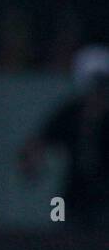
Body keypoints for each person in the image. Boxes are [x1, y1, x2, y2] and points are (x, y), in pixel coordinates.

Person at [19, 45, 109, 230]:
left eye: (102, 84)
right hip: (72, 196)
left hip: (103, 199)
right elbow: (37, 143)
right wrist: (31, 162)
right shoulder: (70, 113)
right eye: (94, 84)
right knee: (61, 230)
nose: (97, 92)